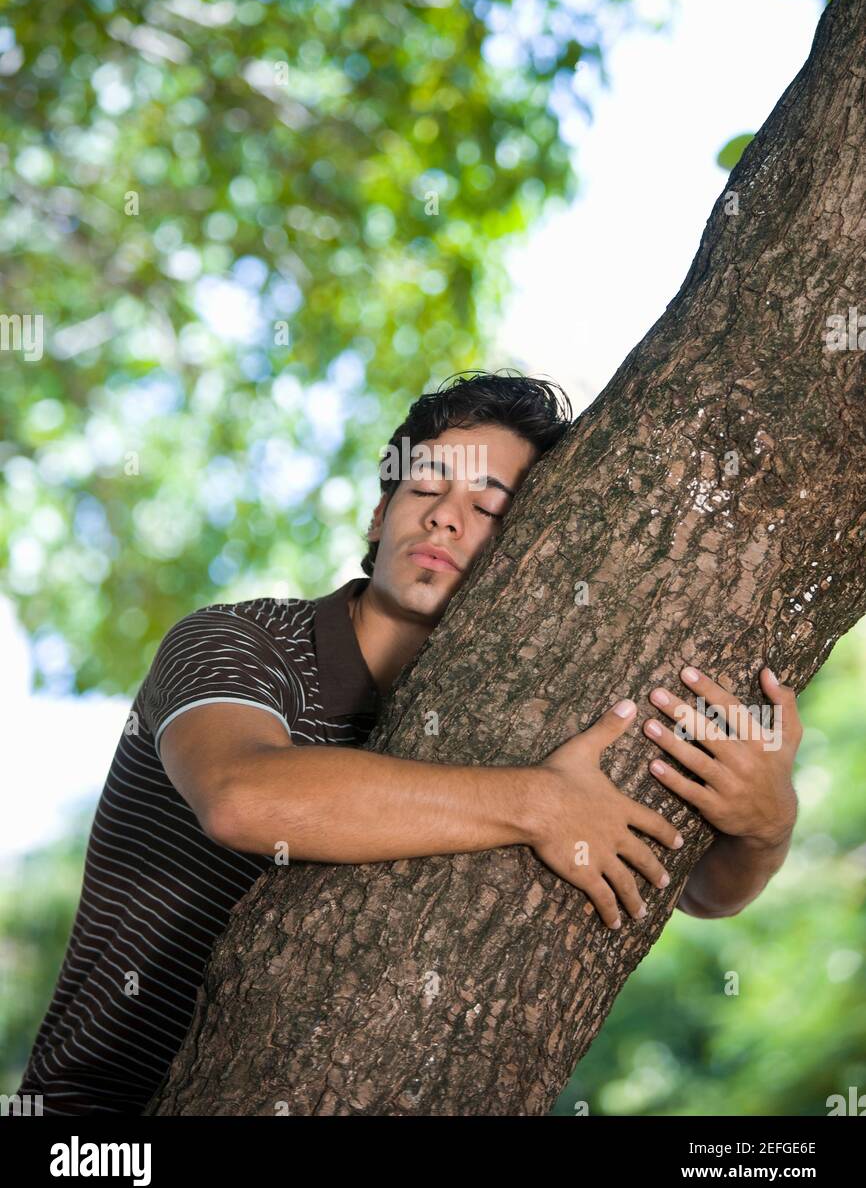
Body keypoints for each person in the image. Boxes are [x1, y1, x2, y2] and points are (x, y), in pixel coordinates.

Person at [17, 369, 800, 1115]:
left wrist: (764, 826)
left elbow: (692, 891)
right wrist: (536, 803)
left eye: (490, 507)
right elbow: (241, 797)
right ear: (378, 515)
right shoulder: (238, 641)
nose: (444, 516)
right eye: (424, 487)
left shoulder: (518, 719)